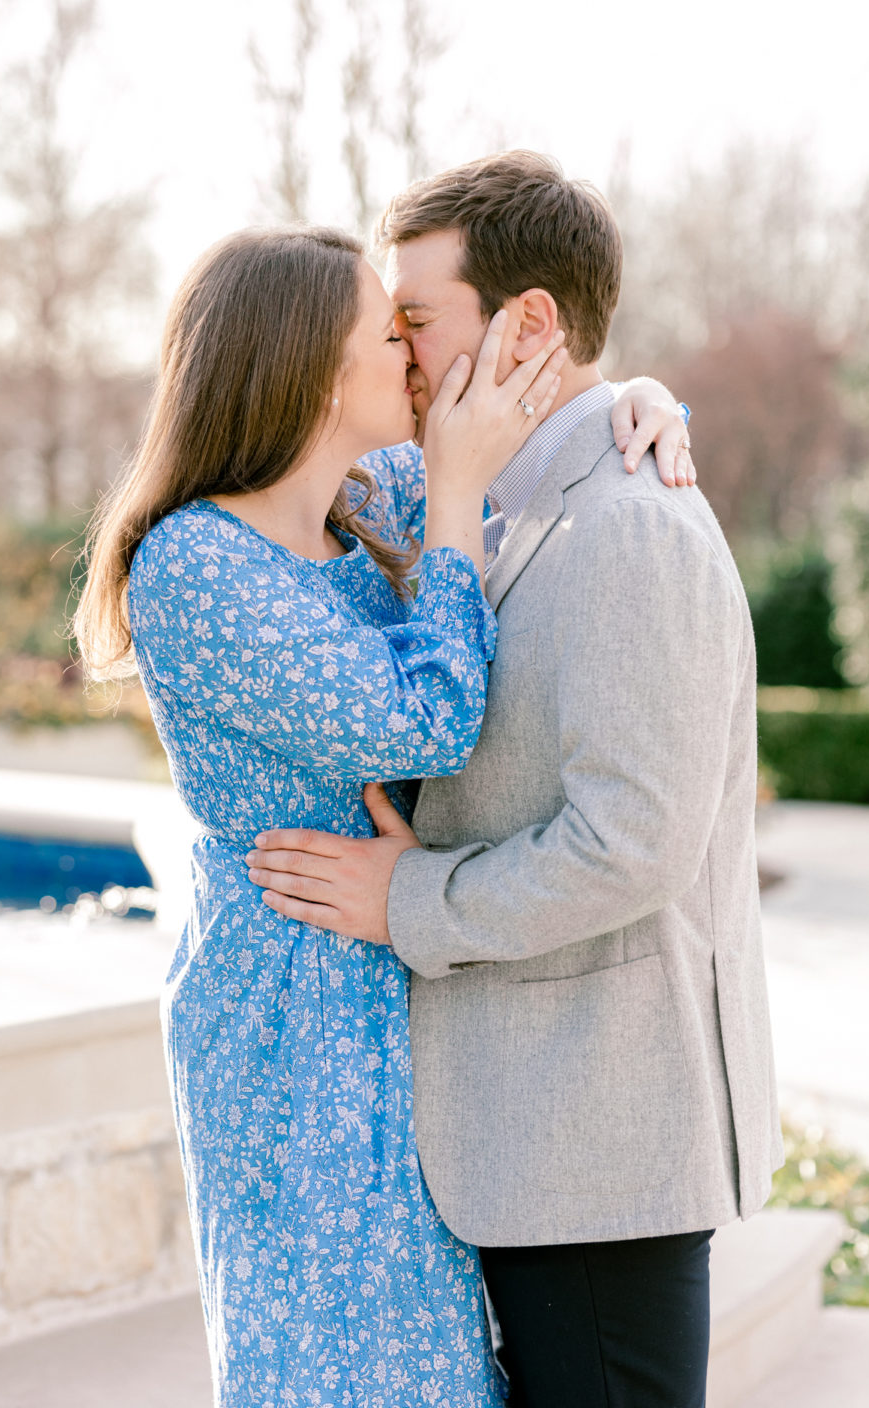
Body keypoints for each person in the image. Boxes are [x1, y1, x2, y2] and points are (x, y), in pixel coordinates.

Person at [73, 220, 693, 1407]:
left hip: (401, 970)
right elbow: (429, 722)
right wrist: (458, 499)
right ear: (312, 372)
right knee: (332, 1361)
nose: (414, 357)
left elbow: (530, 414)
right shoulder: (193, 567)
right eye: (388, 333)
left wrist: (644, 399)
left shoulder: (372, 500)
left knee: (446, 1360)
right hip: (290, 1004)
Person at [247, 152, 784, 1408]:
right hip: (534, 1143)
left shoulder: (631, 527)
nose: (399, 354)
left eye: (415, 320)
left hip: (599, 1152)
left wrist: (406, 904)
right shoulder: (500, 500)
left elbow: (632, 843)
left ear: (527, 323)